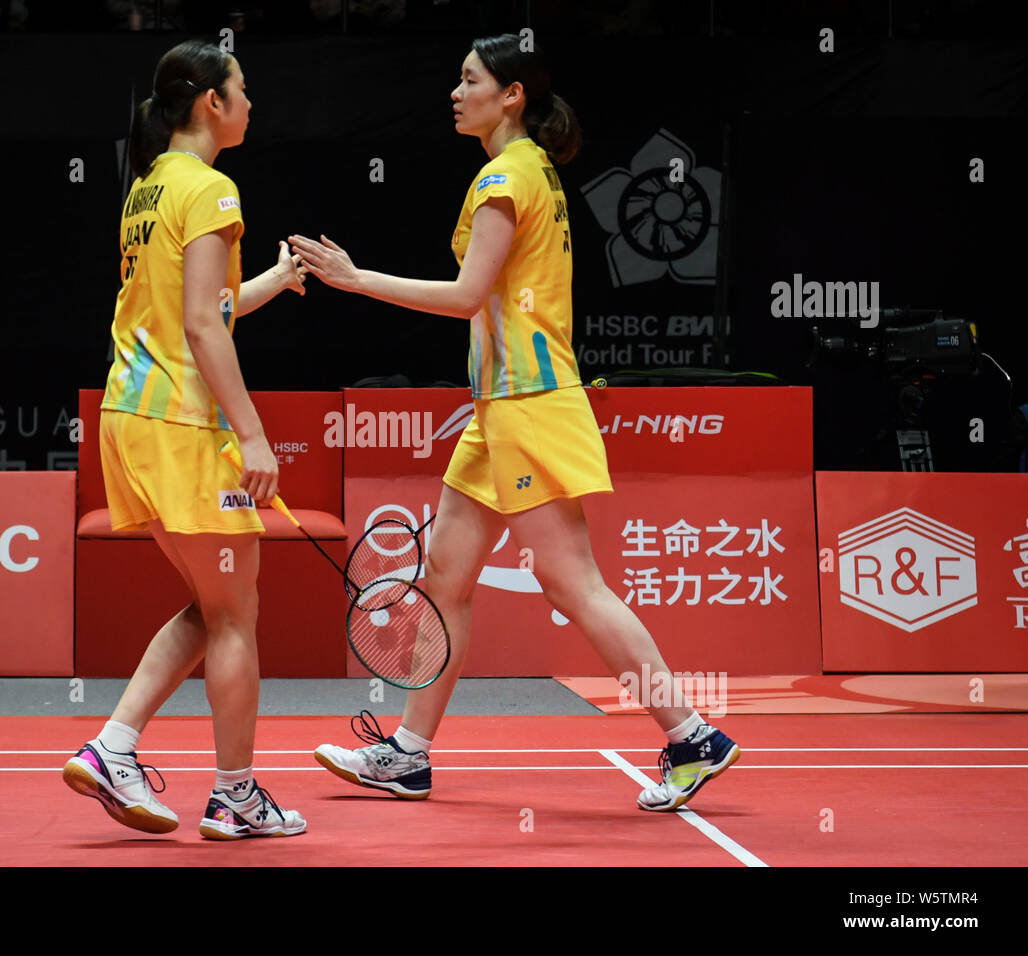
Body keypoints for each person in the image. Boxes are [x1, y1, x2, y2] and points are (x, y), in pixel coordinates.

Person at [295, 34, 740, 812]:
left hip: (531, 409)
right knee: (446, 579)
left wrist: (356, 279)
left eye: (470, 80)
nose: (455, 92)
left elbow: (468, 296)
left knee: (575, 585)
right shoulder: (526, 171)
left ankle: (690, 734)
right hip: (497, 413)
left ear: (513, 96)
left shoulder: (506, 177)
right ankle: (409, 753)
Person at [62, 39, 310, 839]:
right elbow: (204, 326)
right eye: (243, 90)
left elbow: (205, 306)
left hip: (128, 420)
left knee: (215, 605)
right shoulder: (212, 189)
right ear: (211, 101)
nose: (250, 104)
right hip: (179, 426)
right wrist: (257, 436)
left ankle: (112, 746)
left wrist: (273, 279)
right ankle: (235, 795)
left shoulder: (147, 189)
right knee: (236, 612)